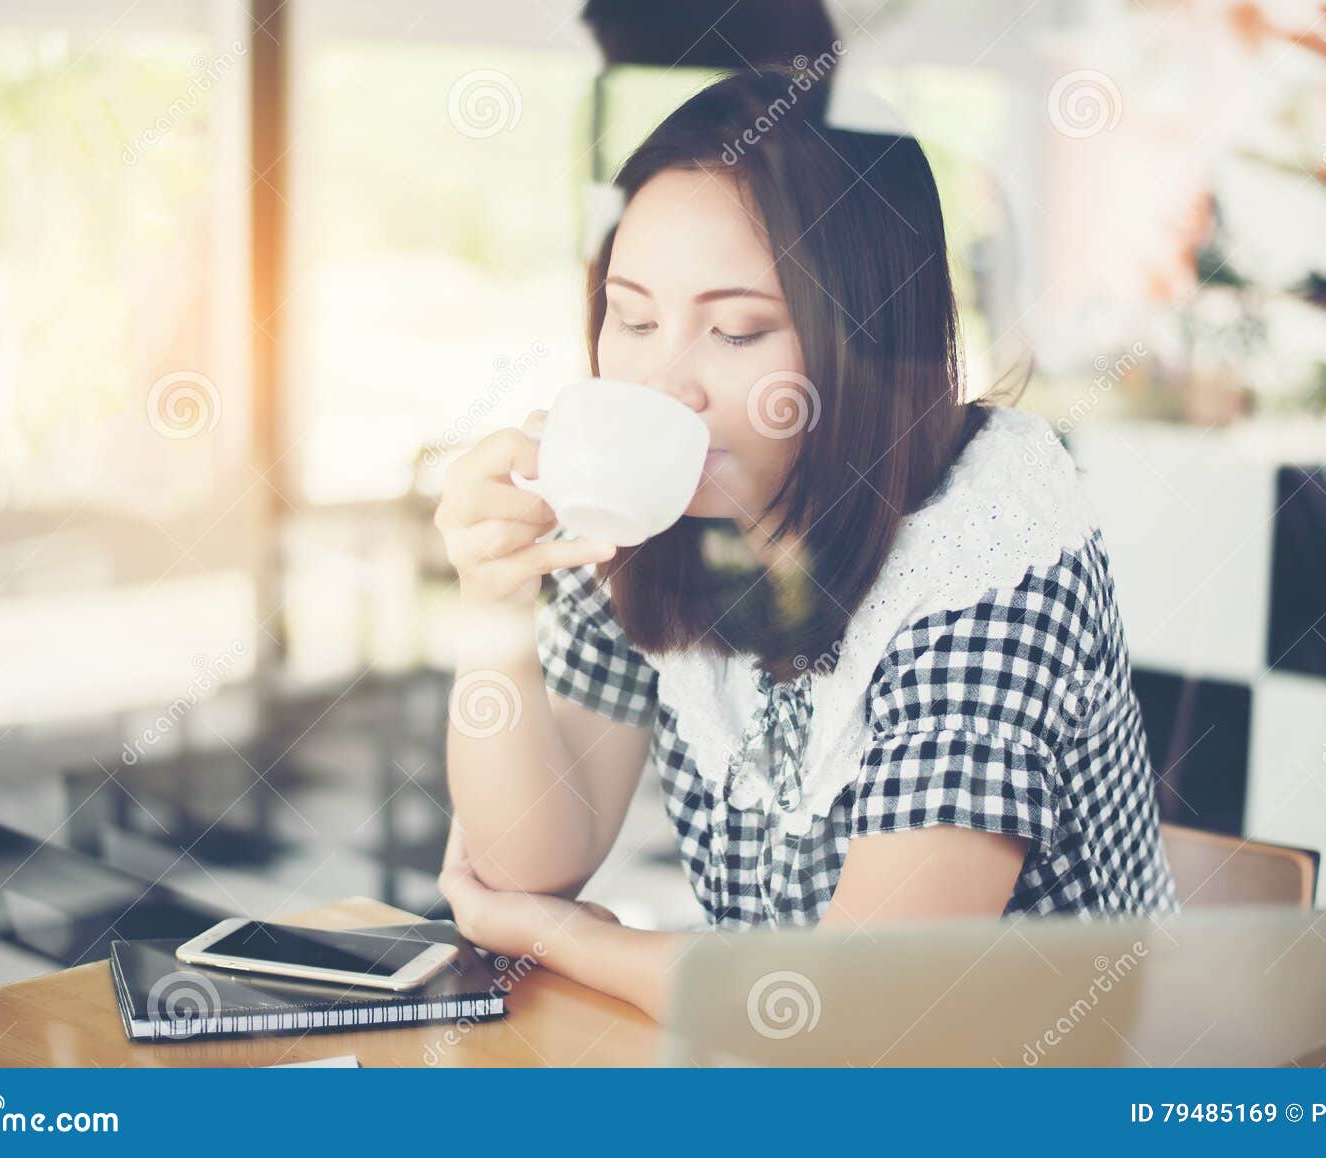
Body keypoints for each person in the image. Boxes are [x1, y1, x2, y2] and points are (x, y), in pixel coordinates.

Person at [434, 69, 1176, 1023]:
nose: (665, 385)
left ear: (866, 339)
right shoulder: (646, 499)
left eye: (737, 331)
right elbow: (529, 858)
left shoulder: (990, 547)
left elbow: (858, 1009)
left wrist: (566, 938)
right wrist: (490, 601)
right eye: (634, 316)